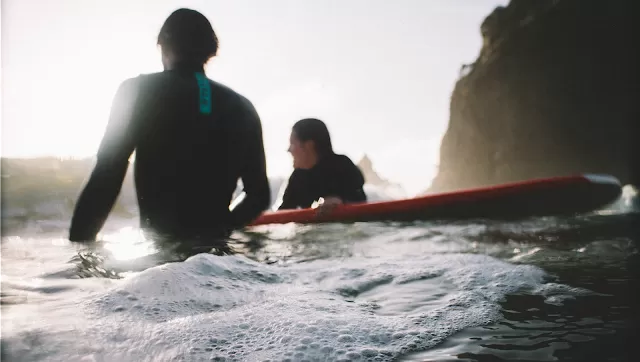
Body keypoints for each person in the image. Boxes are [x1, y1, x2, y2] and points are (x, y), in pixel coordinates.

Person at [68, 8, 271, 248]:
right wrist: (222, 227)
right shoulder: (243, 107)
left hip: (161, 257)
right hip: (216, 255)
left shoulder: (138, 91)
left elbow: (107, 173)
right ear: (210, 50)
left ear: (162, 44)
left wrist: (79, 249)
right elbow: (258, 195)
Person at [276, 118, 366, 212]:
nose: (289, 150)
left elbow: (360, 202)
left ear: (309, 146)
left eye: (292, 144)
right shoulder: (297, 178)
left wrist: (340, 201)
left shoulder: (343, 166)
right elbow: (281, 215)